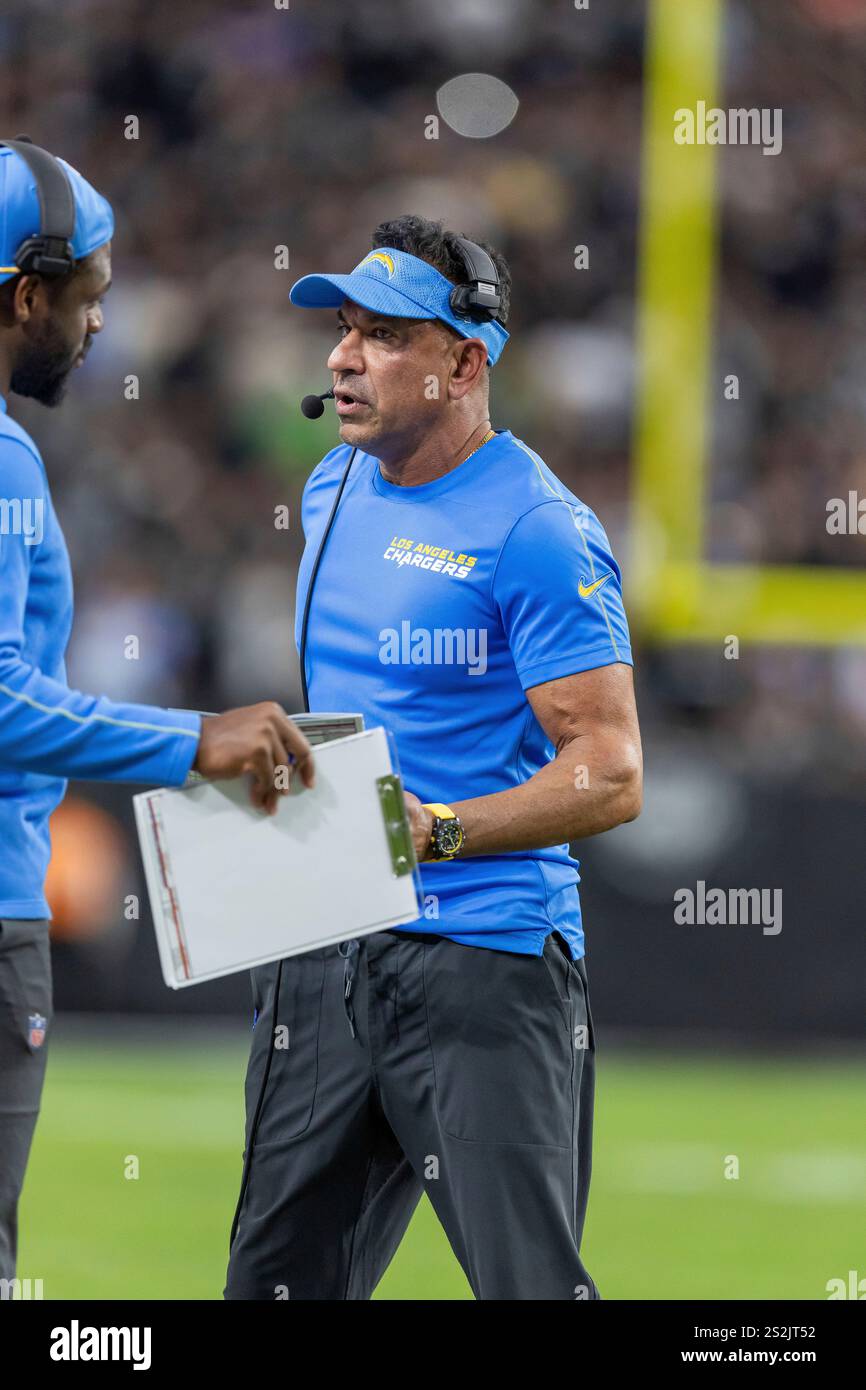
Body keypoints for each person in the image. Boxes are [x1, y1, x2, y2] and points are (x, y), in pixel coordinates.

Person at [224, 214, 642, 1301]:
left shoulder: (539, 528)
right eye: (343, 328)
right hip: (323, 951)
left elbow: (610, 769)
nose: (341, 356)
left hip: (483, 964)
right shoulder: (332, 486)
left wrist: (438, 831)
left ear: (464, 362)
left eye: (383, 335)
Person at [0, 139, 315, 1289]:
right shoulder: (4, 460)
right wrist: (192, 738)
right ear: (26, 293)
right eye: (86, 299)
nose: (94, 329)